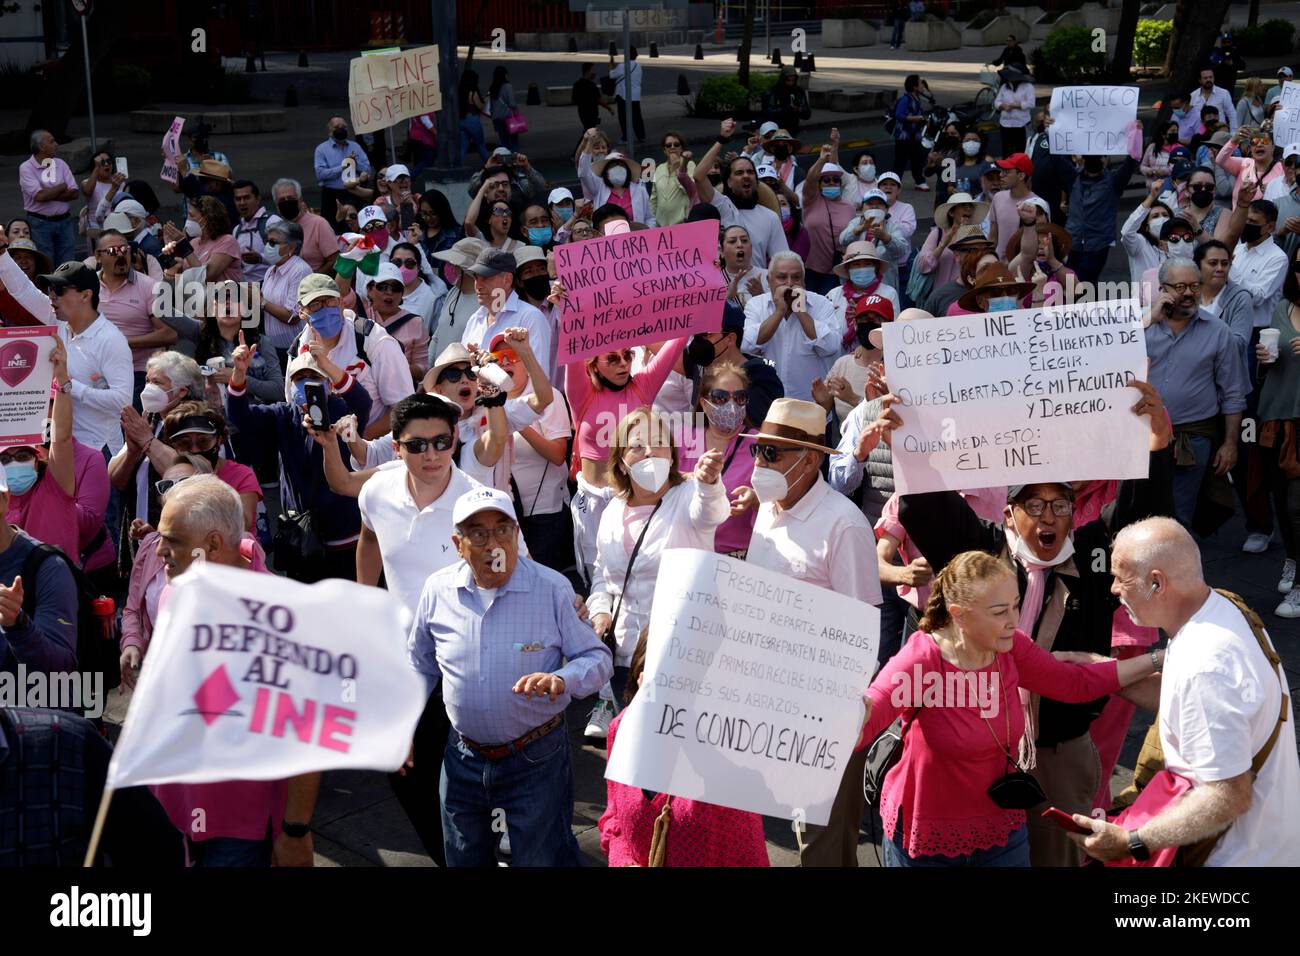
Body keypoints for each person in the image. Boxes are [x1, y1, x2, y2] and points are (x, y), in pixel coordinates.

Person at [886, 378, 1175, 867]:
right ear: (1008, 511)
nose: (1049, 517)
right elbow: (930, 504)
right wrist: (910, 439)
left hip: (1060, 748)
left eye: (1059, 505)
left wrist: (1158, 443)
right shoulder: (981, 551)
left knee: (1059, 860)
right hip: (983, 746)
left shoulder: (1094, 554)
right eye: (1034, 505)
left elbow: (1141, 517)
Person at [857, 550, 1161, 867]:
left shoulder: (1010, 647)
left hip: (1000, 830)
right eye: (1000, 612)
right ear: (959, 614)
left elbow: (1074, 682)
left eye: (1015, 606)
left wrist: (1156, 659)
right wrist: (849, 712)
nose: (1013, 621)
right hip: (928, 837)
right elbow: (874, 706)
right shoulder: (922, 660)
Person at [406, 486, 613, 866]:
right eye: (479, 533)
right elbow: (419, 664)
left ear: (517, 534)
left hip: (535, 757)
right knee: (463, 857)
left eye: (503, 530)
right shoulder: (437, 591)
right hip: (462, 758)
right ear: (458, 543)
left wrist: (563, 678)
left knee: (541, 857)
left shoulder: (551, 588)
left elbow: (597, 658)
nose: (493, 544)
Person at [1076, 518, 1300, 866]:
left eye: (1122, 577)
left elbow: (1228, 795)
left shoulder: (1206, 664)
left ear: (1156, 583)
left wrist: (1133, 841)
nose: (1114, 589)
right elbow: (1185, 706)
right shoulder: (1221, 609)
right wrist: (1097, 668)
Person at [148, 474, 318, 867]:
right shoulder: (175, 590)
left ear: (211, 545)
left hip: (240, 828)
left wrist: (294, 831)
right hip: (172, 809)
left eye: (172, 540)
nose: (159, 551)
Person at [739, 397, 881, 866]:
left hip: (826, 708)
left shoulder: (845, 525)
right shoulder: (767, 510)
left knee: (821, 841)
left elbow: (862, 630)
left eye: (773, 453)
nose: (761, 461)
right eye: (759, 450)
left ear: (813, 459)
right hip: (769, 698)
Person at [584, 408, 728, 734]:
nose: (650, 451)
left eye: (659, 442)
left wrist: (708, 482)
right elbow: (601, 576)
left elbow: (713, 512)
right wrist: (600, 612)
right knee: (632, 750)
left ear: (672, 454)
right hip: (624, 657)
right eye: (638, 446)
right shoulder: (612, 510)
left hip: (681, 656)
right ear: (621, 460)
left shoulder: (688, 495)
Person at [598, 629, 770, 867]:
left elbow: (744, 849)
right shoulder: (622, 728)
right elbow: (614, 819)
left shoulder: (731, 750)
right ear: (640, 673)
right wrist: (623, 861)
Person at [228, 339, 372, 581]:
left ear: (327, 383)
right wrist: (239, 373)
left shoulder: (342, 412)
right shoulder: (283, 415)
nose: (306, 384)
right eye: (299, 378)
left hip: (344, 530)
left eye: (313, 376)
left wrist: (326, 363)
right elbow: (240, 417)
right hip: (301, 532)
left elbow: (363, 402)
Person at [1144, 257, 1248, 529]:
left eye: (1194, 286)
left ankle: (1180, 571)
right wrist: (1148, 320)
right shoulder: (1140, 326)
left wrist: (1230, 443)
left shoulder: (1218, 332)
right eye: (1180, 287)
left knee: (1179, 517)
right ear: (1163, 288)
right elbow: (1110, 360)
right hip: (1140, 437)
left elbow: (1233, 393)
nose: (1189, 293)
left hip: (1192, 439)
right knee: (1136, 513)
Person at [0, 250, 133, 459]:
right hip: (64, 446)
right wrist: (1, 254)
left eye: (60, 289)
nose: (52, 295)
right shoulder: (59, 322)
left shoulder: (111, 340)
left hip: (100, 451)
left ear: (86, 295)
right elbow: (23, 291)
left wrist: (68, 386)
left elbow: (123, 400)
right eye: (51, 288)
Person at [287, 274, 413, 439]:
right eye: (315, 304)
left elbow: (404, 408)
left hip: (369, 453)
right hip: (320, 453)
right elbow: (293, 406)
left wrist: (354, 445)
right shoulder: (298, 350)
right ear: (302, 312)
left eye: (330, 301)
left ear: (341, 303)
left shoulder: (374, 342)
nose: (325, 310)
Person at [1254, 251, 1300, 615]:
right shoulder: (1283, 307)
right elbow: (1271, 365)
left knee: (1298, 506)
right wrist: (1263, 358)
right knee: (1282, 502)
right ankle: (1293, 558)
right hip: (1275, 417)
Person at [679, 362, 758, 558]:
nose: (731, 405)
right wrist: (691, 478)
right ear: (705, 404)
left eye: (739, 397)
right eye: (721, 397)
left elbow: (777, 504)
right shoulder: (681, 439)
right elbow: (662, 487)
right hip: (687, 555)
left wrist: (757, 500)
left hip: (736, 561)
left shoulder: (759, 444)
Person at [1051, 124, 1143, 287]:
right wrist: (1054, 129)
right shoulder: (1074, 178)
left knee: (1085, 285)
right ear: (1083, 158)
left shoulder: (1114, 181)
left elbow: (1132, 161)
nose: (1096, 159)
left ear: (1105, 159)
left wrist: (1136, 133)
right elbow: (1057, 157)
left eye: (1100, 156)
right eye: (1091, 156)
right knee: (1067, 284)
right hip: (1073, 242)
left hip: (1097, 244)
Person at [742, 251, 840, 403]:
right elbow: (749, 346)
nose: (789, 283)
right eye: (782, 277)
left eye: (796, 277)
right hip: (769, 404)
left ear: (804, 281)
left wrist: (801, 311)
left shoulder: (822, 303)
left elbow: (830, 347)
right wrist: (780, 311)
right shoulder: (756, 304)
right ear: (769, 280)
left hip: (810, 404)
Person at [694, 119, 788, 267]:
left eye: (750, 172)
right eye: (739, 173)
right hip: (724, 287)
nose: (746, 176)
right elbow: (699, 175)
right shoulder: (723, 207)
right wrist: (722, 139)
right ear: (729, 182)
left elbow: (782, 261)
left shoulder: (770, 217)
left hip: (758, 288)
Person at [94, 229, 176, 397]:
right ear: (98, 256)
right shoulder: (88, 286)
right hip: (96, 371)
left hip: (137, 373)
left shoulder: (149, 286)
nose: (120, 255)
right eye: (113, 251)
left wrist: (123, 342)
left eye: (125, 249)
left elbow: (170, 334)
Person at [460, 249, 551, 370]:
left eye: (485, 278)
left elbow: (539, 377)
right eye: (476, 278)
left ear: (507, 280)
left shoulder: (531, 317)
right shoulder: (474, 320)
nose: (478, 285)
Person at [19, 130, 78, 267]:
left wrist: (48, 193)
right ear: (41, 147)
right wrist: (62, 186)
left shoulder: (61, 164)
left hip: (65, 221)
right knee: (46, 264)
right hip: (40, 224)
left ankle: (65, 289)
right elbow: (40, 197)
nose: (56, 144)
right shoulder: (26, 168)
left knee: (68, 265)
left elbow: (74, 193)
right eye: (52, 141)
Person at [824, 242, 897, 348]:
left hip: (875, 359)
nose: (862, 268)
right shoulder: (834, 294)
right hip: (840, 358)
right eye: (856, 265)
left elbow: (893, 331)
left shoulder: (889, 293)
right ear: (848, 269)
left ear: (876, 268)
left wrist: (864, 315)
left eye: (867, 264)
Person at [429, 238, 486, 368]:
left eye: (454, 264)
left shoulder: (485, 303)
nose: (450, 268)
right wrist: (429, 372)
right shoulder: (453, 292)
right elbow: (437, 337)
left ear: (467, 270)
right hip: (439, 378)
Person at [577, 141, 655, 227]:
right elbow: (584, 173)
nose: (618, 168)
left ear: (627, 170)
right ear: (606, 171)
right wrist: (589, 142)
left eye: (621, 165)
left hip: (636, 237)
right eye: (613, 165)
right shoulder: (598, 188)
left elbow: (650, 218)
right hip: (607, 238)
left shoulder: (639, 190)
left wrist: (647, 234)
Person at [315, 117, 373, 231]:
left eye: (343, 127)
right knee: (332, 228)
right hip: (332, 196)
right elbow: (320, 174)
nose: (340, 130)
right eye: (337, 127)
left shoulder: (355, 146)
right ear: (330, 130)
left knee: (357, 228)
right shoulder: (321, 149)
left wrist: (355, 163)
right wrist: (343, 166)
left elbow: (368, 170)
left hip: (355, 193)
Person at [270, 179, 337, 273]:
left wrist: (313, 280)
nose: (287, 203)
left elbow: (334, 260)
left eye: (290, 198)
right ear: (277, 206)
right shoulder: (276, 230)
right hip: (284, 283)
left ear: (300, 200)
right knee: (248, 287)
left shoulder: (318, 224)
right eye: (282, 200)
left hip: (313, 284)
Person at [986, 153, 1039, 259]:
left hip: (1027, 269)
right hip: (999, 269)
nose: (1001, 175)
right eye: (1001, 171)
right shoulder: (998, 198)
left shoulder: (1038, 204)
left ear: (1021, 176)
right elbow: (992, 238)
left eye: (1006, 171)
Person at [1217, 126, 1283, 209]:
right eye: (1254, 142)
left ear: (1273, 147)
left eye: (1264, 141)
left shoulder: (1282, 169)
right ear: (1250, 149)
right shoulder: (1244, 163)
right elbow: (1220, 160)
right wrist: (1234, 141)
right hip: (1239, 220)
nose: (1259, 144)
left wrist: (1272, 193)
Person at [892, 75, 930, 191]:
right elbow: (898, 115)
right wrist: (914, 118)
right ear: (914, 87)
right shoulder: (906, 99)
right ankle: (894, 182)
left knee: (917, 159)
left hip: (915, 136)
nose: (922, 85)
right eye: (920, 83)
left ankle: (919, 181)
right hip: (904, 137)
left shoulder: (917, 98)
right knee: (900, 161)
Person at [651, 132, 694, 228]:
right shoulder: (659, 169)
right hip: (661, 226)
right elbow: (654, 197)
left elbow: (689, 190)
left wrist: (677, 168)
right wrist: (653, 222)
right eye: (668, 145)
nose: (672, 147)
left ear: (681, 148)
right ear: (664, 150)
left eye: (676, 144)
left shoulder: (689, 165)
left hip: (682, 224)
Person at [992, 64, 1035, 156]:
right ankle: (1006, 168)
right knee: (1006, 150)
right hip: (1005, 123)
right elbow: (996, 102)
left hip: (1021, 123)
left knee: (1021, 150)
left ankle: (1020, 169)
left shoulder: (1028, 87)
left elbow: (1031, 103)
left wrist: (1016, 105)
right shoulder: (1004, 87)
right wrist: (1002, 106)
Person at [608, 47, 645, 145]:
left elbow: (612, 75)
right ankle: (641, 136)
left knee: (623, 117)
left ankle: (626, 137)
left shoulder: (622, 66)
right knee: (637, 116)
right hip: (635, 95)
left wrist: (611, 66)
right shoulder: (638, 66)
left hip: (623, 95)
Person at [762, 66, 812, 135]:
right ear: (783, 79)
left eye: (793, 80)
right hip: (777, 127)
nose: (791, 83)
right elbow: (768, 111)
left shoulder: (798, 91)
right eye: (788, 80)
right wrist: (785, 109)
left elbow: (807, 113)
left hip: (792, 127)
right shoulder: (774, 91)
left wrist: (799, 109)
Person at [457, 69, 491, 166]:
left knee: (463, 146)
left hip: (461, 120)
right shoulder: (472, 92)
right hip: (472, 119)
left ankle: (458, 166)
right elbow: (480, 106)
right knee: (480, 145)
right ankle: (490, 165)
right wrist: (486, 99)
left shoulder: (459, 91)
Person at [572, 62, 612, 135]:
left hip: (582, 113)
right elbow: (599, 100)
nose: (595, 72)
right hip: (591, 113)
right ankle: (581, 146)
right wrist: (609, 108)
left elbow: (574, 99)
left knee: (588, 131)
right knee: (590, 133)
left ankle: (585, 145)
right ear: (587, 71)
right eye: (593, 70)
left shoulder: (577, 84)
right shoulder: (592, 85)